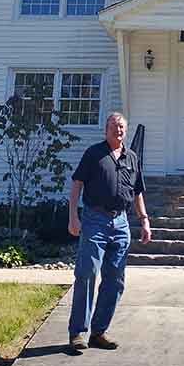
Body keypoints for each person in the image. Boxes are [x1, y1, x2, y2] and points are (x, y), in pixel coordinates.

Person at [67, 112, 151, 352]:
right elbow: (77, 184)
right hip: (94, 219)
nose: (119, 130)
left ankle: (99, 332)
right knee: (87, 273)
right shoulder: (94, 154)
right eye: (114, 126)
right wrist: (73, 216)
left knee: (115, 279)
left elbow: (137, 192)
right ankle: (78, 333)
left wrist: (144, 220)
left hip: (121, 222)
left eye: (122, 126)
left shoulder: (132, 158)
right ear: (106, 130)